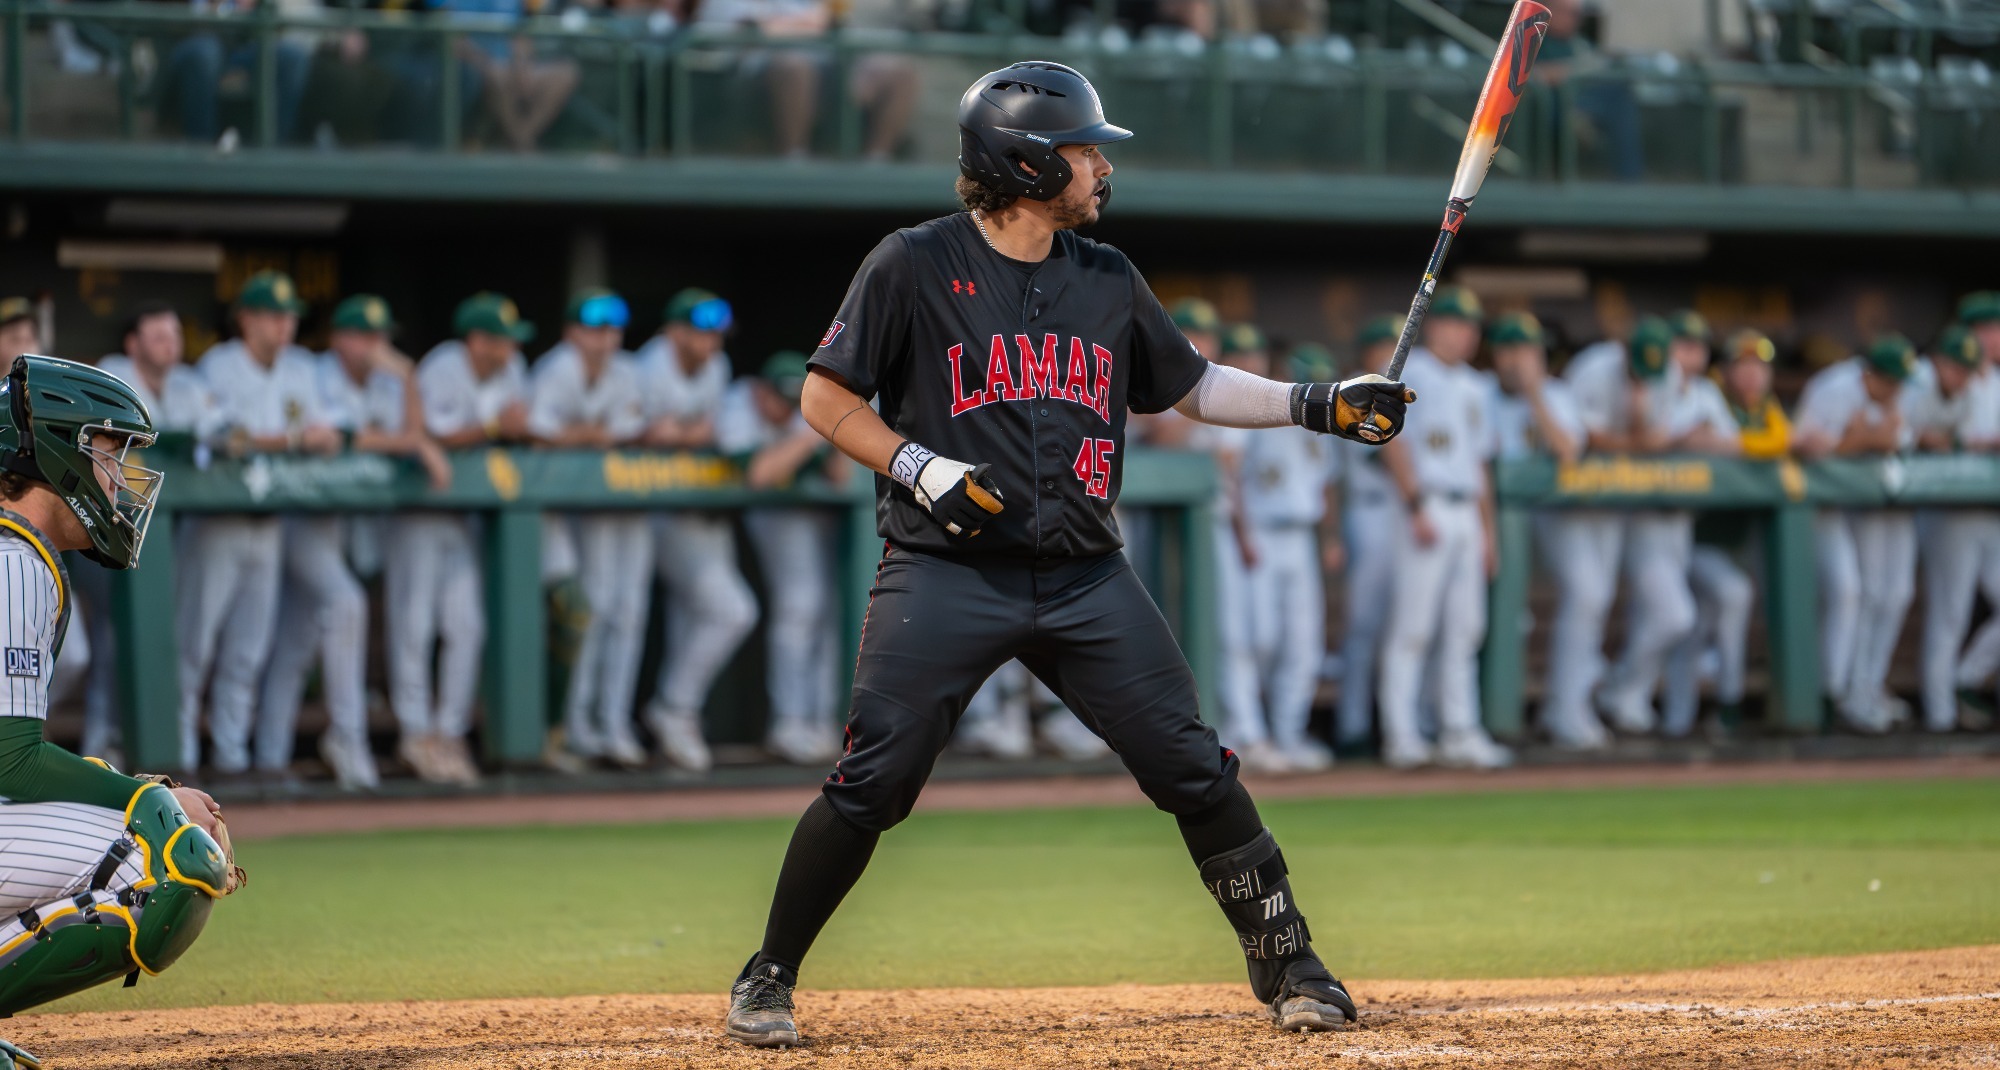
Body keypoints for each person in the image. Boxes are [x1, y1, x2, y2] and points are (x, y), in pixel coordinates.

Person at [721, 61, 1412, 1050]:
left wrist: (1316, 403)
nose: (1099, 167)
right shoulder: (911, 262)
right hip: (945, 569)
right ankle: (768, 973)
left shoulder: (1105, 275)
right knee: (873, 782)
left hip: (1086, 575)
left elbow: (1186, 384)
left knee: (1193, 766)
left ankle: (1291, 961)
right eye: (1085, 150)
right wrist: (920, 468)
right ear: (1026, 161)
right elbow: (826, 397)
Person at [0, 354, 244, 1070]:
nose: (120, 480)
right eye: (108, 454)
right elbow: (9, 759)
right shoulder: (14, 562)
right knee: (165, 853)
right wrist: (150, 796)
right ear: (56, 455)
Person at [261, 296, 451, 790]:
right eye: (365, 336)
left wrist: (407, 379)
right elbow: (351, 437)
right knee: (346, 605)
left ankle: (269, 755)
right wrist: (409, 442)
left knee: (296, 640)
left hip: (334, 523)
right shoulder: (319, 372)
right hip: (291, 514)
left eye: (381, 336)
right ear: (341, 338)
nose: (376, 346)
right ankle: (347, 739)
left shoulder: (388, 380)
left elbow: (410, 431)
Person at [187, 271, 338, 782]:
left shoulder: (302, 368)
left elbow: (329, 434)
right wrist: (294, 440)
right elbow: (225, 440)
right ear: (246, 319)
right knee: (195, 645)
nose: (284, 325)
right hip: (218, 522)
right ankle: (179, 762)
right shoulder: (219, 365)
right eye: (274, 315)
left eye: (289, 315)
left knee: (249, 650)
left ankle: (232, 761)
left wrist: (293, 439)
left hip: (271, 523)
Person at [389, 293, 533, 785]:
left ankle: (448, 734)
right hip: (419, 510)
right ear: (477, 340)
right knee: (414, 624)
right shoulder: (442, 367)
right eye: (501, 341)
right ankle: (414, 733)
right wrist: (494, 427)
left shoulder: (512, 372)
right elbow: (430, 431)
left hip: (463, 516)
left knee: (467, 625)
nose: (510, 349)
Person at [1372, 286, 1509, 770]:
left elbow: (1482, 467)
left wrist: (1488, 533)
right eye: (1455, 323)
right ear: (1435, 327)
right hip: (1424, 505)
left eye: (1470, 326)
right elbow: (1391, 441)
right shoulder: (1413, 373)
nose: (1464, 333)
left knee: (1465, 628)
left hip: (1465, 510)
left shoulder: (1479, 386)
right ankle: (1402, 734)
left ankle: (1459, 731)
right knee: (1413, 626)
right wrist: (1414, 504)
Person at [633, 288, 759, 773]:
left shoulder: (718, 366)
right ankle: (672, 708)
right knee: (731, 610)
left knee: (703, 614)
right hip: (652, 509)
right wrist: (687, 435)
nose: (711, 342)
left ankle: (676, 712)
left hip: (698, 505)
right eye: (700, 332)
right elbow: (644, 436)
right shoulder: (648, 367)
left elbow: (708, 433)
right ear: (674, 331)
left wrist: (681, 436)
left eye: (715, 333)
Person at [531, 288, 652, 768]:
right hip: (561, 510)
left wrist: (578, 436)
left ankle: (612, 723)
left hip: (615, 504)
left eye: (612, 331)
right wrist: (592, 435)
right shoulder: (555, 368)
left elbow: (631, 432)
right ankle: (574, 724)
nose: (605, 340)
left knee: (628, 613)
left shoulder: (627, 371)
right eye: (594, 329)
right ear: (572, 333)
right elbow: (539, 436)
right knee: (592, 610)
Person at [93, 303, 217, 766]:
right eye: (158, 333)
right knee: (111, 640)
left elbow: (220, 435)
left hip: (170, 531)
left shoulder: (189, 383)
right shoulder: (113, 373)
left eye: (175, 332)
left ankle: (162, 751)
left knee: (177, 637)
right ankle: (101, 742)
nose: (170, 341)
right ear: (134, 342)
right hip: (105, 528)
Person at [1551, 314, 1677, 748]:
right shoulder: (1592, 368)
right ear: (1625, 351)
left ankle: (1580, 704)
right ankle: (1565, 709)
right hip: (1569, 500)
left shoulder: (1668, 372)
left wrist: (1640, 417)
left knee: (1600, 598)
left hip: (1617, 504)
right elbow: (1586, 439)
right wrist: (1636, 441)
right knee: (1586, 596)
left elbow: (1658, 439)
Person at [716, 352, 848, 764]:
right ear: (761, 392)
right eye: (781, 399)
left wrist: (833, 429)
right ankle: (789, 723)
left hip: (812, 517)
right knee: (798, 609)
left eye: (796, 401)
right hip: (764, 513)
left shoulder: (802, 408)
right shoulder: (740, 404)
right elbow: (760, 474)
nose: (787, 408)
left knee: (826, 614)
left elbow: (840, 477)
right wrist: (814, 432)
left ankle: (822, 721)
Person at [1219, 340, 1340, 773]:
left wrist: (1329, 538)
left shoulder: (1321, 421)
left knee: (1303, 642)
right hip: (1261, 535)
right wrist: (1244, 535)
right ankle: (1248, 731)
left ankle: (1290, 733)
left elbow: (1326, 485)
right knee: (1257, 637)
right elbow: (1231, 475)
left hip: (1300, 534)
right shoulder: (1258, 410)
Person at [1792, 333, 1921, 732]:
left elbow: (1905, 440)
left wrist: (1874, 440)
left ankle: (1865, 687)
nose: (1895, 389)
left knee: (1895, 594)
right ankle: (1837, 692)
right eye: (1888, 380)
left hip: (1875, 503)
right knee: (1854, 592)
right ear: (1869, 373)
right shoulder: (1833, 389)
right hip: (1820, 508)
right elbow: (1806, 450)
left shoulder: (1900, 393)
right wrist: (1860, 441)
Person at [1670, 329, 1786, 739]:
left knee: (1697, 626)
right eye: (1744, 365)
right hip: (1690, 536)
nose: (1754, 374)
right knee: (1733, 596)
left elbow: (1777, 440)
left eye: (1760, 366)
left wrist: (1732, 444)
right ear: (1727, 371)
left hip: (1733, 542)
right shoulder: (1710, 399)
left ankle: (1678, 719)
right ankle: (1728, 701)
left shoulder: (1768, 412)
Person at [1645, 313, 1745, 739]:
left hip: (1688, 527)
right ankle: (1638, 706)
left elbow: (1735, 445)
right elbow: (1649, 440)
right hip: (1645, 520)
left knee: (1708, 610)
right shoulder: (1652, 385)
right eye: (1684, 344)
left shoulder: (1705, 392)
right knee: (1671, 618)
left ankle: (1697, 713)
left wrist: (1695, 439)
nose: (1693, 353)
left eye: (1699, 346)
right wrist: (1685, 437)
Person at [1907, 325, 2000, 733]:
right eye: (1994, 329)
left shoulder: (1993, 381)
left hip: (1989, 508)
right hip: (1946, 507)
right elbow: (1920, 435)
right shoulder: (1924, 380)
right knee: (1951, 612)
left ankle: (1964, 680)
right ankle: (1941, 714)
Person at [1332, 314, 1405, 749]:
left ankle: (1398, 721)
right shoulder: (1354, 393)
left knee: (1403, 623)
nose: (1391, 353)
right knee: (1363, 624)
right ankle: (1353, 726)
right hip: (1367, 511)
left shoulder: (1408, 393)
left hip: (1403, 514)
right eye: (1384, 346)